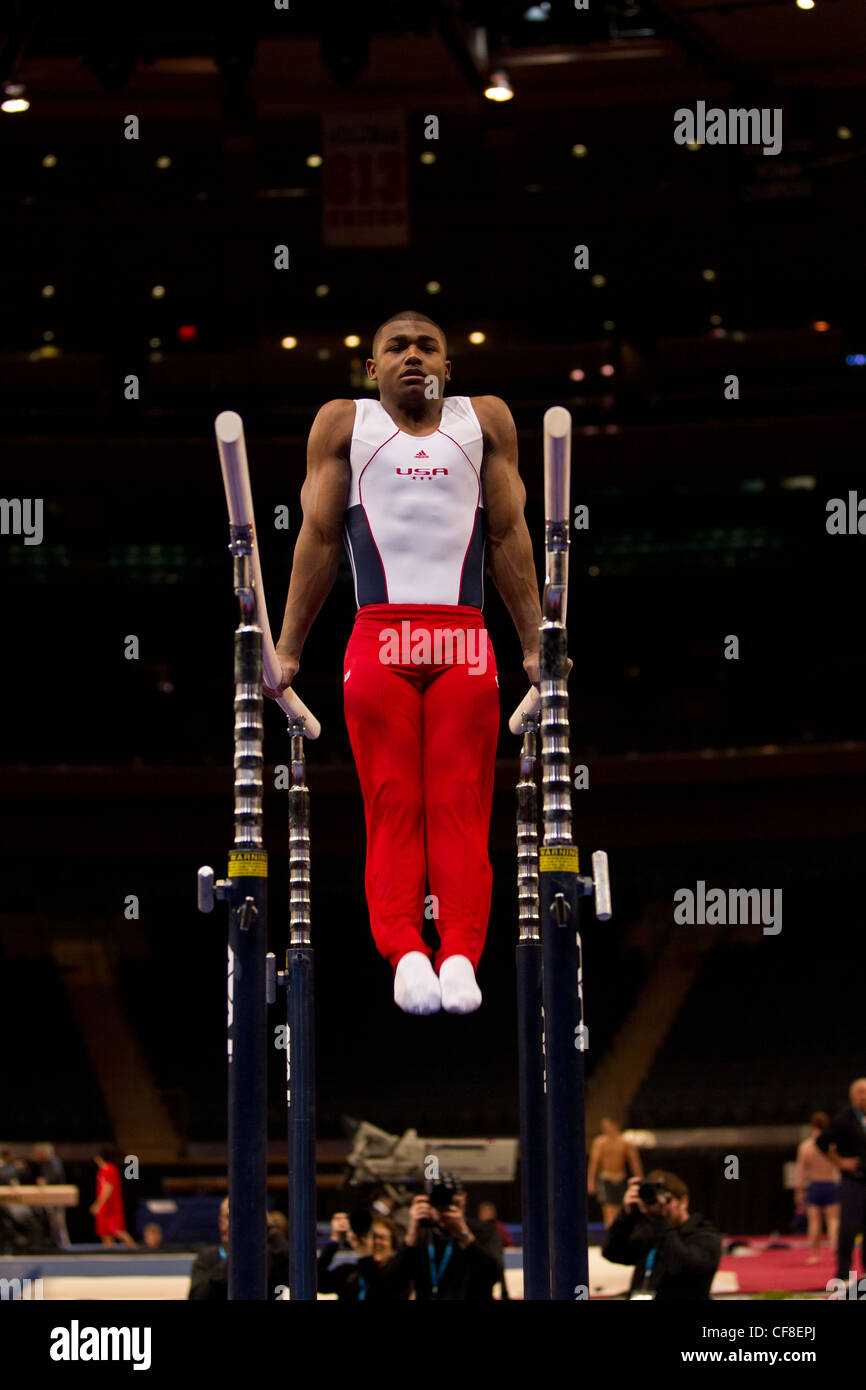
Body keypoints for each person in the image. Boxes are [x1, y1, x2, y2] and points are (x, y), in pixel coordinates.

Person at [265, 311, 553, 1016]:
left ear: (450, 367)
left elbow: (508, 535)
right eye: (397, 347)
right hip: (379, 638)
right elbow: (320, 538)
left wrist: (535, 643)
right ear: (373, 368)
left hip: (463, 638)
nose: (414, 356)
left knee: (458, 804)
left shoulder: (484, 421)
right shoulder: (344, 425)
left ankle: (459, 951)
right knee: (394, 804)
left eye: (429, 347)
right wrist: (289, 648)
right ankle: (403, 951)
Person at [602, 1170, 722, 1300]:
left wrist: (661, 1220)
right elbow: (613, 1252)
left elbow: (680, 1266)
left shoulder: (705, 1235)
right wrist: (627, 1216)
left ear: (683, 1201)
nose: (660, 1205)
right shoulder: (651, 1231)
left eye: (667, 1200)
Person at [390, 1191, 501, 1300]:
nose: (445, 1208)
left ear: (464, 1199)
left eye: (453, 1202)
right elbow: (395, 1282)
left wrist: (464, 1235)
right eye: (438, 1203)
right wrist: (412, 1231)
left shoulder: (484, 1231)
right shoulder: (422, 1234)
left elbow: (492, 1275)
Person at [814, 1077, 866, 1290]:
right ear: (853, 1096)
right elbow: (821, 1142)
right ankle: (843, 1271)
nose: (865, 1096)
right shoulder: (843, 1120)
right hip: (853, 1182)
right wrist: (840, 1162)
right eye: (861, 1092)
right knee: (849, 1226)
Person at [318, 1211, 407, 1300]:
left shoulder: (399, 1273)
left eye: (381, 1237)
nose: (376, 1242)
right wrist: (335, 1240)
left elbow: (381, 1293)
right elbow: (316, 1282)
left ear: (393, 1245)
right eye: (372, 1237)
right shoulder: (350, 1273)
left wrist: (366, 1256)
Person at [794, 1111, 840, 1264]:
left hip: (815, 1184)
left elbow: (800, 1170)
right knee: (833, 1220)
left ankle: (815, 1254)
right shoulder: (832, 1145)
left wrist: (799, 1190)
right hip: (830, 1183)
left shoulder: (806, 1146)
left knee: (814, 1221)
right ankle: (835, 1249)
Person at [588, 1117, 644, 1228]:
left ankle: (619, 1236)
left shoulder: (625, 1142)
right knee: (609, 1210)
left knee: (621, 1209)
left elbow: (634, 1163)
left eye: (607, 1126)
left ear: (615, 1126)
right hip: (606, 1178)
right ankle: (610, 1236)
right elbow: (594, 1163)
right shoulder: (600, 1142)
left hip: (620, 1178)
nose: (605, 1129)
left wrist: (640, 1179)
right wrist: (590, 1181)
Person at [90, 1148, 135, 1249]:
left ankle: (134, 1250)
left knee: (118, 1231)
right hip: (104, 1209)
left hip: (112, 1208)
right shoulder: (101, 1171)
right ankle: (109, 1254)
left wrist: (98, 1204)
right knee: (105, 1233)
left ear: (99, 1158)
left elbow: (108, 1189)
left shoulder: (110, 1169)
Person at [30, 1142, 70, 1248]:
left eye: (37, 1154)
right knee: (53, 1221)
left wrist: (45, 1180)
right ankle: (56, 1242)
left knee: (58, 1221)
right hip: (52, 1195)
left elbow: (55, 1174)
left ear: (43, 1153)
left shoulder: (53, 1161)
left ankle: (63, 1244)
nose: (36, 1156)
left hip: (57, 1195)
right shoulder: (46, 1163)